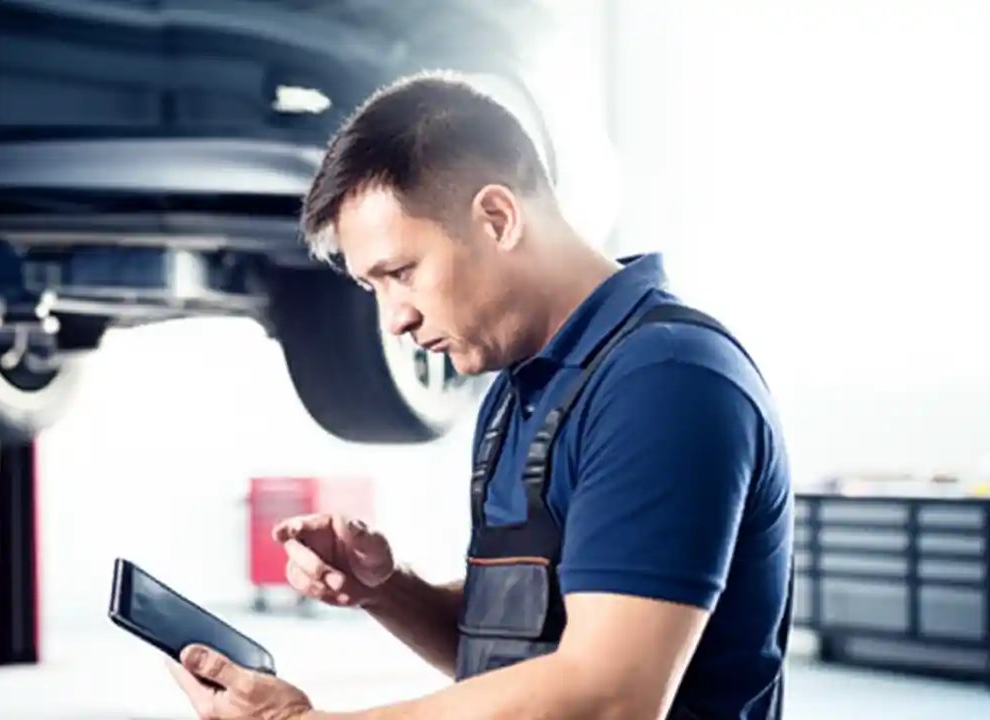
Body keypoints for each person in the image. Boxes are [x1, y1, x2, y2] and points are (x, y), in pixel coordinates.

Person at [166, 71, 795, 720]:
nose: (394, 321)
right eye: (373, 288)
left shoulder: (668, 382)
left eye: (401, 273)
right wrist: (387, 591)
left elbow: (610, 696)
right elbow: (523, 654)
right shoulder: (519, 387)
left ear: (497, 217)